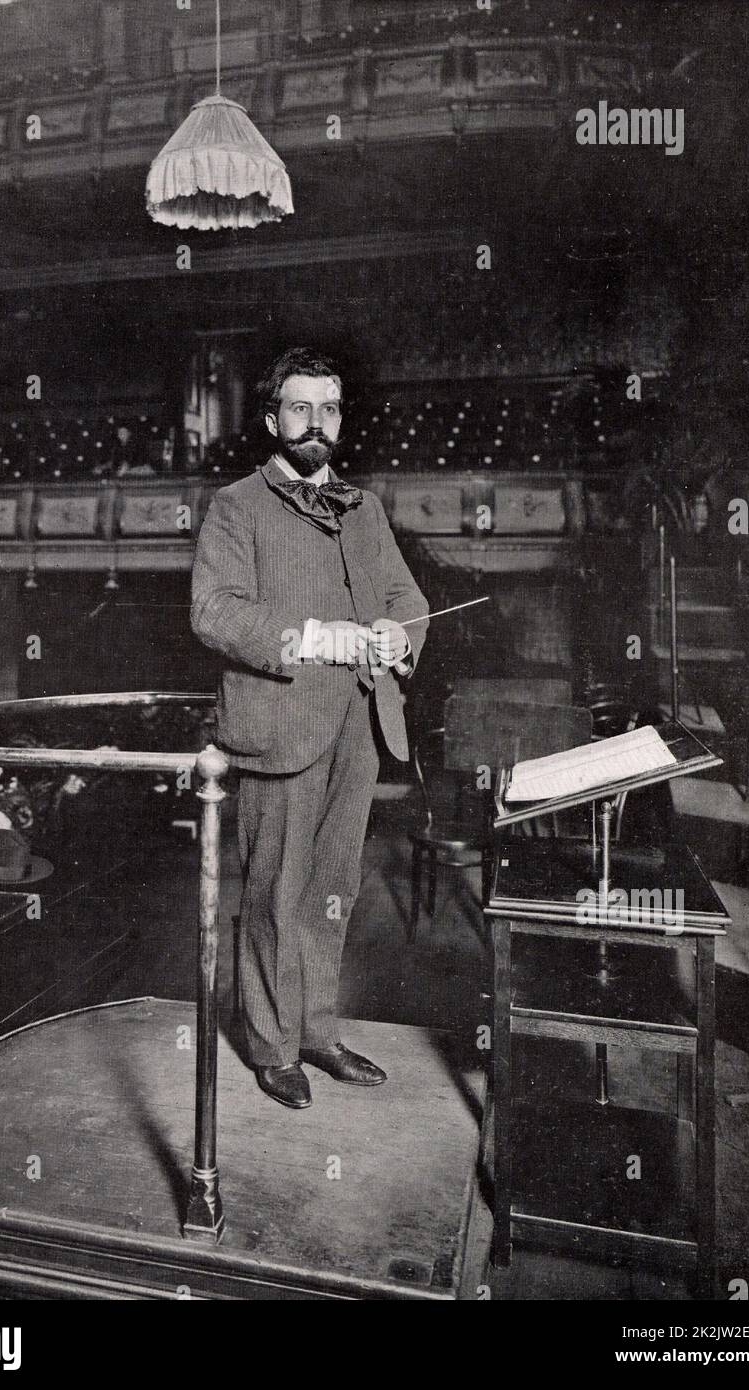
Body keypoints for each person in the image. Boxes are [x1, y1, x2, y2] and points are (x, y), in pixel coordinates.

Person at [191, 347, 429, 1108]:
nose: (316, 423)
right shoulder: (236, 506)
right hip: (278, 726)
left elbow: (405, 595)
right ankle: (271, 1046)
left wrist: (399, 635)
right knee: (274, 893)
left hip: (360, 722)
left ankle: (318, 1032)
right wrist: (317, 637)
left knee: (333, 888)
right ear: (271, 419)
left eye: (328, 409)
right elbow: (215, 612)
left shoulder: (365, 507)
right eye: (300, 408)